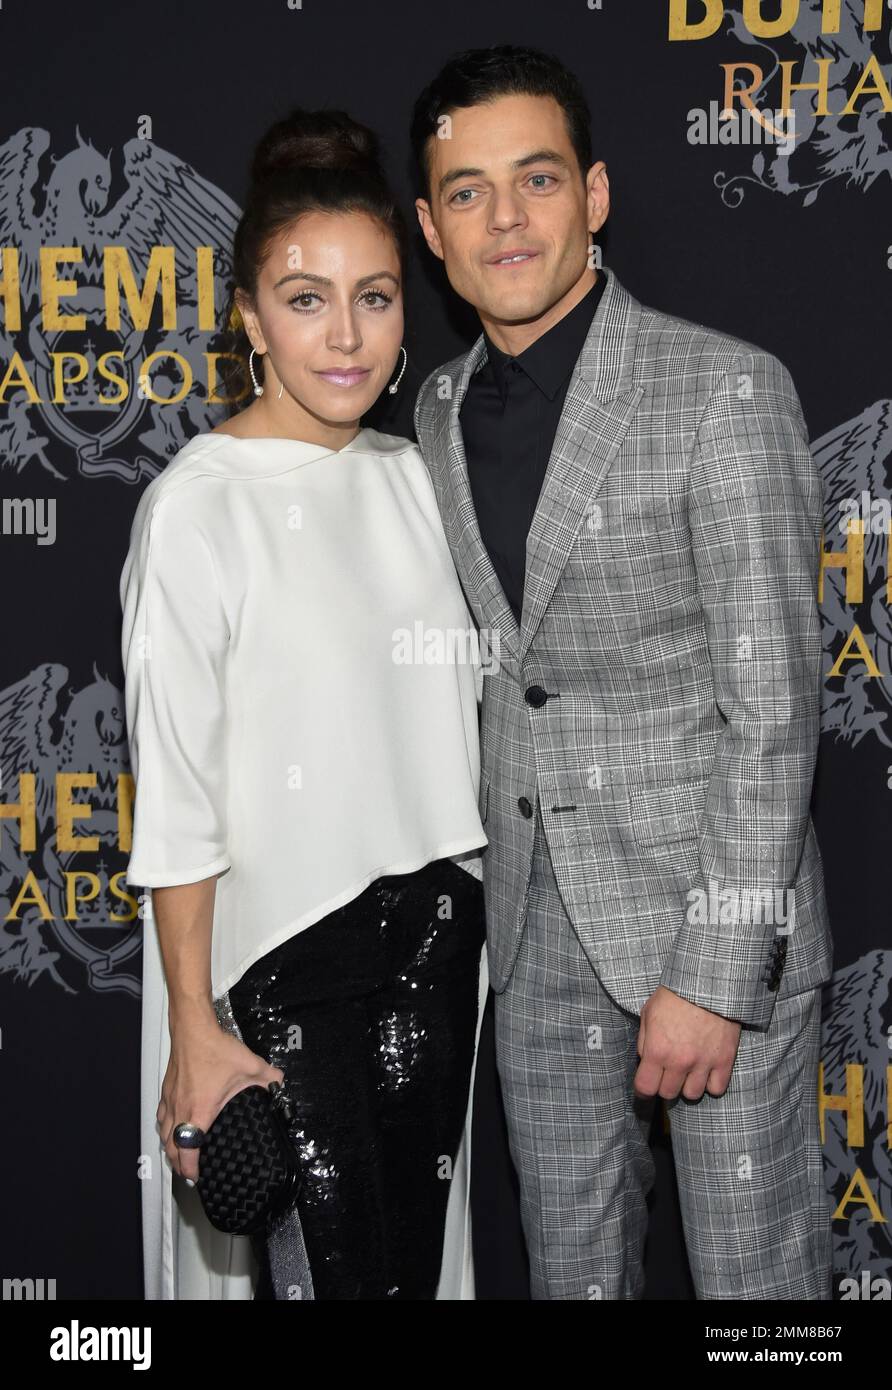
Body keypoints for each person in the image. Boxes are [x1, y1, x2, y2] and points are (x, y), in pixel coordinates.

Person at [409, 44, 834, 1299]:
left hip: (712, 937)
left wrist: (714, 971)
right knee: (570, 1282)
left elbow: (776, 708)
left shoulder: (722, 387)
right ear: (432, 230)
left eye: (535, 180)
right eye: (470, 193)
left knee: (761, 1299)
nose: (506, 219)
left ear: (592, 195)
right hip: (533, 938)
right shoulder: (431, 411)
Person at [120, 108, 489, 1300]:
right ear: (247, 316)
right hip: (273, 966)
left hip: (437, 940)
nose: (345, 336)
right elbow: (174, 788)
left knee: (410, 1273)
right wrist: (192, 1020)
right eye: (305, 297)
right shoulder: (198, 506)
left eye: (375, 298)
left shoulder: (421, 479)